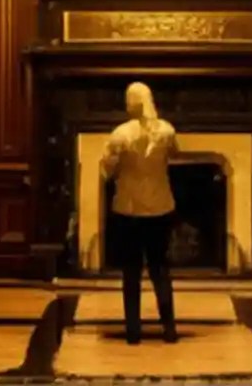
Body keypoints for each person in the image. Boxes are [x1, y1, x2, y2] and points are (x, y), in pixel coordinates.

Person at [101, 82, 178, 344]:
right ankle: (169, 329)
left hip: (129, 209)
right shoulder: (167, 130)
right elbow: (175, 155)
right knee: (160, 269)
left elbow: (107, 170)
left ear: (133, 103)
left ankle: (133, 331)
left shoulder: (120, 134)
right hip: (161, 207)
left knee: (131, 272)